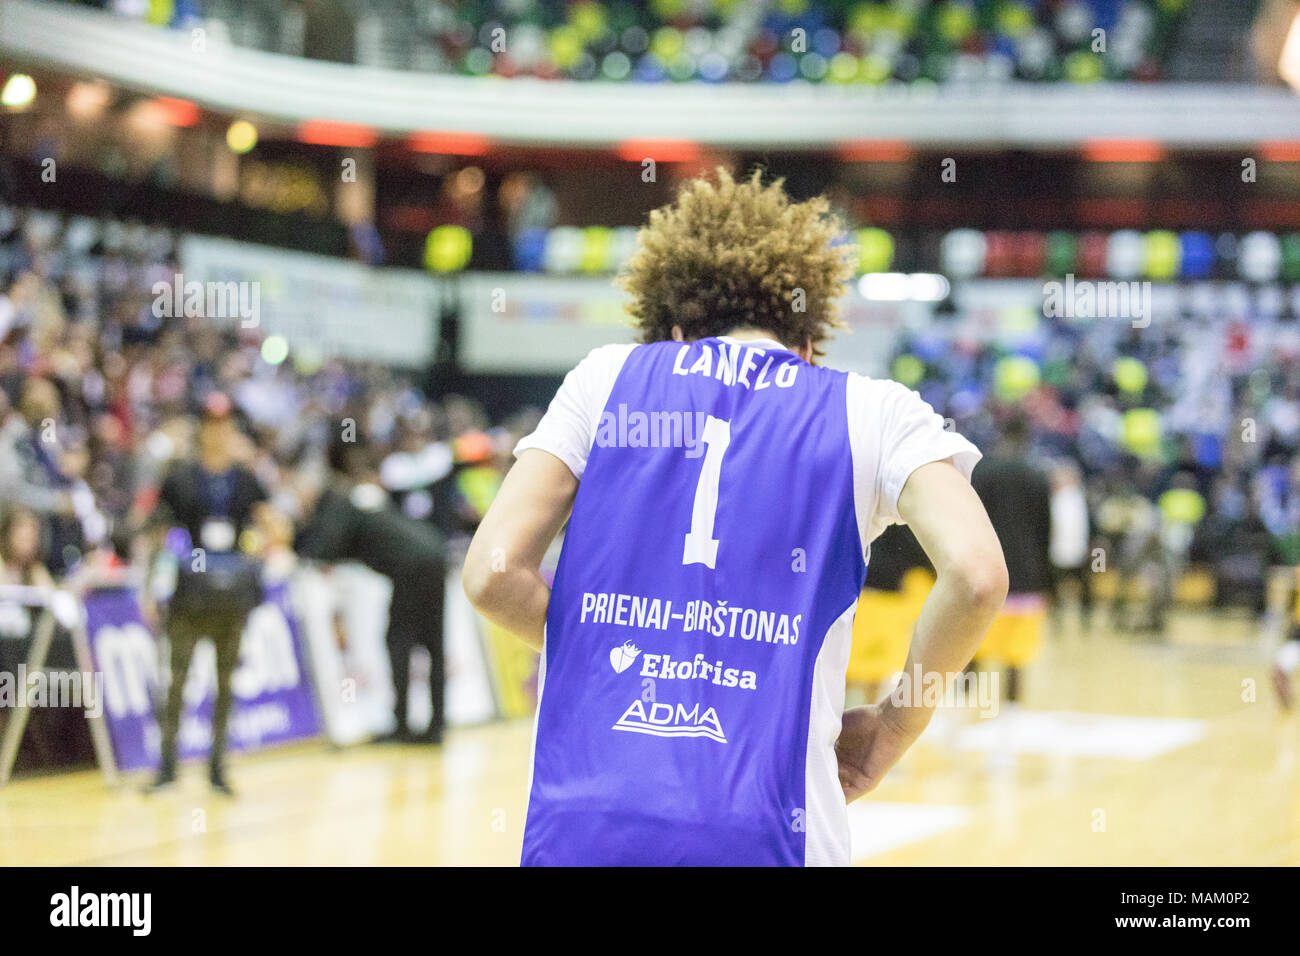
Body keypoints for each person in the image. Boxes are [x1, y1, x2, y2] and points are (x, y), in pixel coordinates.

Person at [463, 169, 1007, 867]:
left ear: (676, 330)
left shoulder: (606, 378)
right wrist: (897, 723)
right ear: (808, 341)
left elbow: (490, 574)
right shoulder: (873, 410)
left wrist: (619, 646)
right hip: (768, 829)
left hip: (583, 822)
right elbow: (978, 575)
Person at [142, 393, 272, 796]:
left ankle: (217, 767)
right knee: (176, 682)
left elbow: (270, 526)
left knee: (225, 684)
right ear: (202, 429)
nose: (218, 432)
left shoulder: (247, 480)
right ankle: (168, 767)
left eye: (225, 425)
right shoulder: (180, 477)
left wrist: (255, 557)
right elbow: (159, 536)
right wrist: (151, 588)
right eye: (212, 425)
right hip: (188, 597)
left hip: (230, 599)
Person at [294, 427, 448, 745]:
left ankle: (403, 726)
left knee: (399, 641)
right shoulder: (370, 497)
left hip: (411, 564)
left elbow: (323, 549)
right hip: (435, 552)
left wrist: (301, 530)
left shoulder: (343, 501)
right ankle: (435, 727)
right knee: (432, 642)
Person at [970, 418, 1053, 704]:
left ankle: (965, 707)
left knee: (971, 646)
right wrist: (1048, 582)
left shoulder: (981, 472)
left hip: (982, 573)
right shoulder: (1037, 476)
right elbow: (1046, 533)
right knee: (1016, 653)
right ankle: (1011, 713)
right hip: (1026, 576)